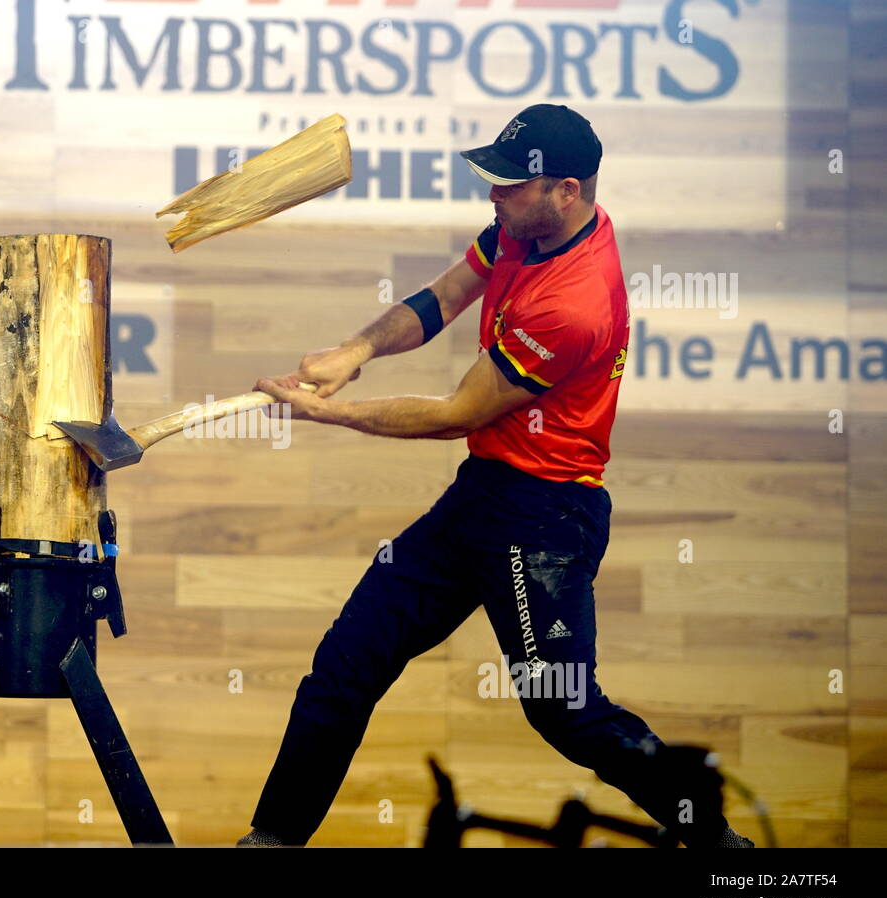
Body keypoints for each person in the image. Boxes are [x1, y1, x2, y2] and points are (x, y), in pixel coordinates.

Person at [239, 104, 753, 849]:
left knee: (566, 713)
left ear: (566, 190)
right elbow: (444, 299)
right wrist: (355, 349)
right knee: (346, 665)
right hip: (482, 496)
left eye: (512, 184)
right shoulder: (523, 230)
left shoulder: (573, 305)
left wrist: (330, 415)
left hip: (545, 519)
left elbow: (458, 412)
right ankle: (273, 841)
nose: (494, 195)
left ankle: (716, 841)